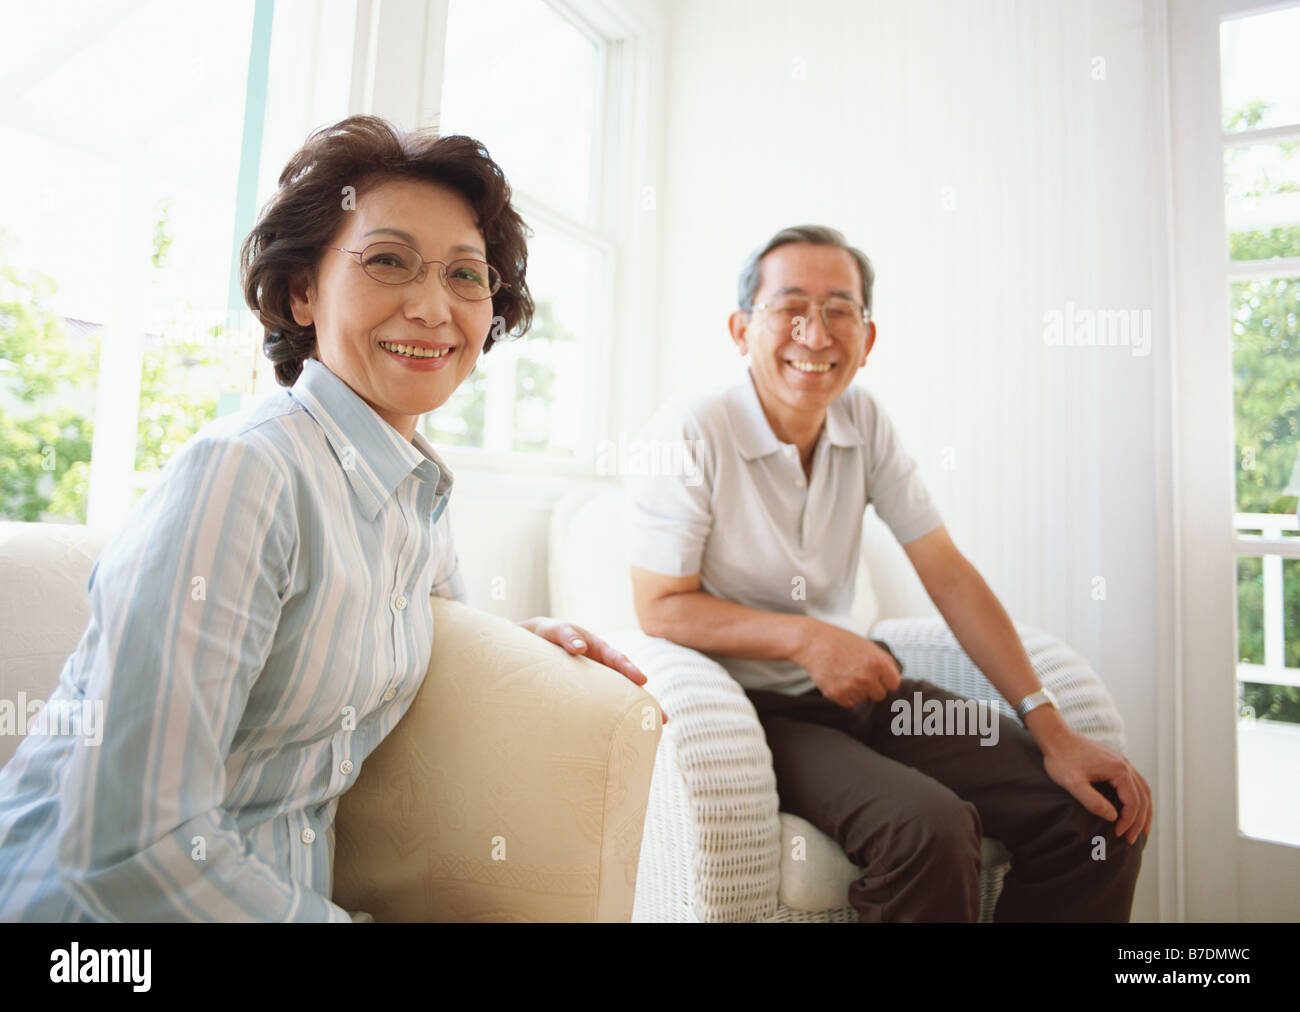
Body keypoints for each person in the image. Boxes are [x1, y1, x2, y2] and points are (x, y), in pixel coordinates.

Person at [0, 114, 651, 922]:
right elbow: (130, 845)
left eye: (465, 275)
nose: (431, 307)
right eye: (387, 261)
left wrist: (519, 649)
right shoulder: (246, 473)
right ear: (303, 291)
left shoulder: (416, 493)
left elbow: (412, 643)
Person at [625, 224, 1152, 921]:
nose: (815, 335)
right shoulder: (693, 427)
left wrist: (1051, 728)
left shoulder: (863, 419)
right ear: (741, 327)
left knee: (1093, 813)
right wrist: (807, 639)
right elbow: (660, 607)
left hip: (864, 690)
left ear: (867, 338)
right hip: (755, 709)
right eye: (791, 308)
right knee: (927, 830)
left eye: (840, 310)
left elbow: (949, 575)